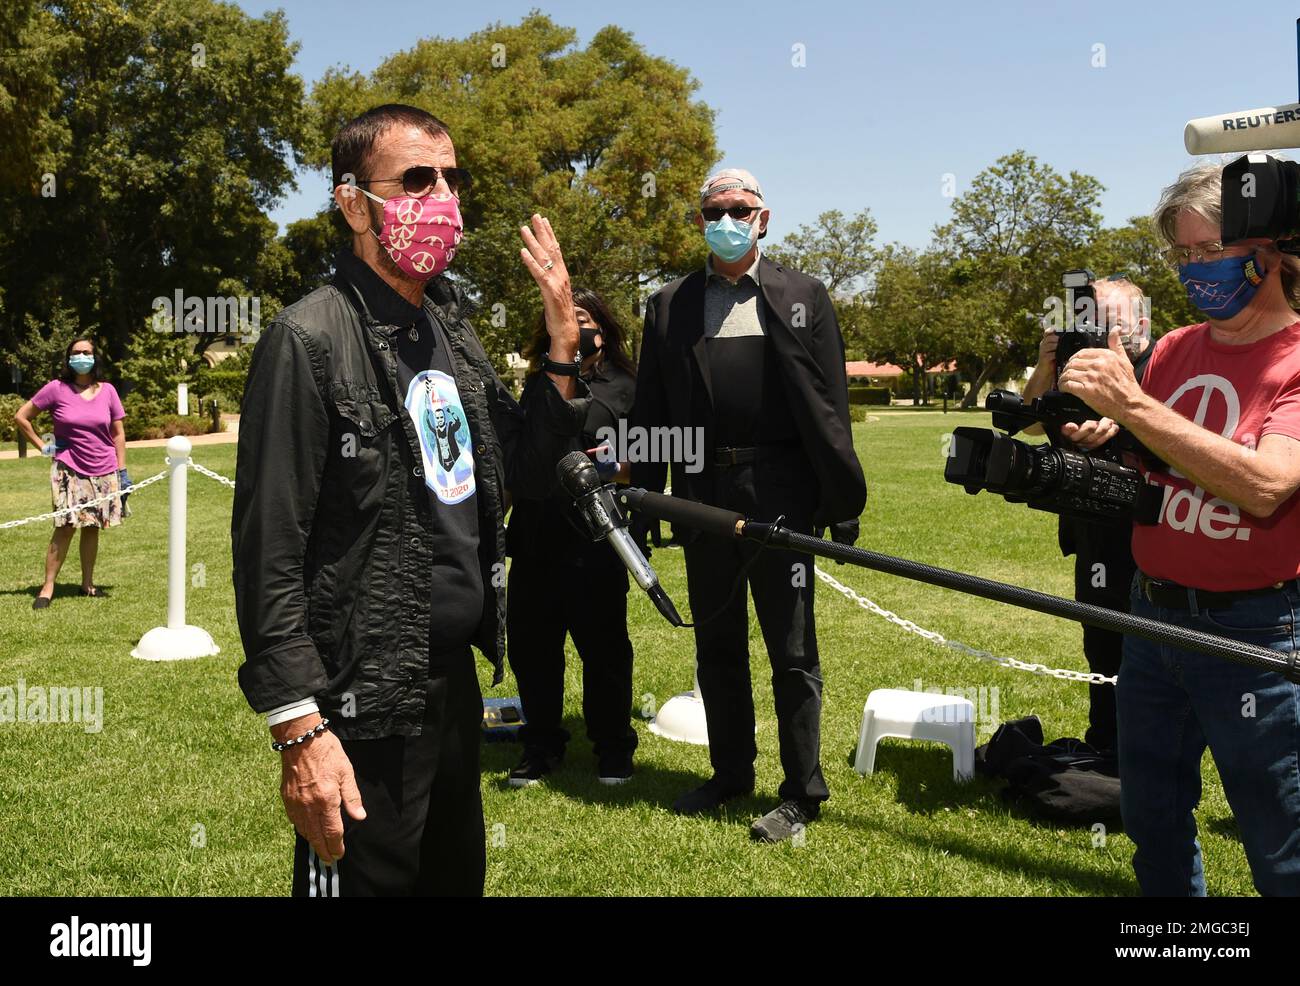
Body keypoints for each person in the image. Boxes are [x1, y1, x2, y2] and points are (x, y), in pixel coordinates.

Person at [231, 103, 588, 897]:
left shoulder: (451, 328)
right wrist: (300, 730)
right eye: (417, 179)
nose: (442, 197)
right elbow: (269, 552)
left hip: (451, 681)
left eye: (451, 179)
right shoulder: (307, 339)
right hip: (357, 696)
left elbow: (521, 477)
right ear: (354, 201)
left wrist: (562, 348)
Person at [1058, 157, 1300, 895]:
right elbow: (1153, 469)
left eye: (1211, 251)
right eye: (1184, 255)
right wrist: (1104, 447)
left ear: (1270, 253)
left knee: (1279, 835)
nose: (1196, 271)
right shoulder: (1172, 350)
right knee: (1154, 819)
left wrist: (1135, 412)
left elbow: (1265, 486)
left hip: (1256, 631)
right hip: (1151, 615)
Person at [629, 168, 867, 842]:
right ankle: (731, 774)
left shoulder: (803, 295)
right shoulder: (670, 304)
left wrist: (840, 501)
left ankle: (801, 794)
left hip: (784, 497)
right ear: (700, 218)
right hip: (703, 496)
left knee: (791, 652)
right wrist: (647, 501)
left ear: (763, 218)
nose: (725, 219)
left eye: (738, 208)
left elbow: (830, 408)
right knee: (718, 646)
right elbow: (650, 409)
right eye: (713, 210)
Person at [505, 289, 639, 787]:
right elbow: (520, 462)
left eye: (580, 318)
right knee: (533, 648)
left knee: (603, 649)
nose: (571, 326)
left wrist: (602, 465)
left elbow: (644, 463)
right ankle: (541, 745)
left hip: (596, 541)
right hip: (535, 539)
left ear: (601, 327)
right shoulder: (539, 383)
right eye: (561, 317)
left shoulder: (626, 385)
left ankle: (613, 747)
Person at [1021, 275, 1153, 754]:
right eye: (1090, 320)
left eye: (1111, 323)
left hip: (1150, 531)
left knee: (1150, 646)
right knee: (1100, 643)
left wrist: (1126, 408)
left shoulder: (1161, 361)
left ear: (1141, 323)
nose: (1100, 332)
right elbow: (1033, 420)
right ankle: (1105, 744)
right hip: (1093, 532)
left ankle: (1149, 752)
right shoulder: (1078, 361)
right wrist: (1047, 361)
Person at [14, 337, 130, 609]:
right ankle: (48, 587)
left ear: (95, 357)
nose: (82, 357)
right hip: (68, 467)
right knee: (65, 526)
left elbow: (118, 433)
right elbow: (22, 416)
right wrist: (44, 447)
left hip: (103, 468)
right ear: (68, 358)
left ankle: (87, 584)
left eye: (86, 352)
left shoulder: (109, 391)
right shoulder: (56, 389)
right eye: (76, 353)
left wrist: (122, 471)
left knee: (92, 527)